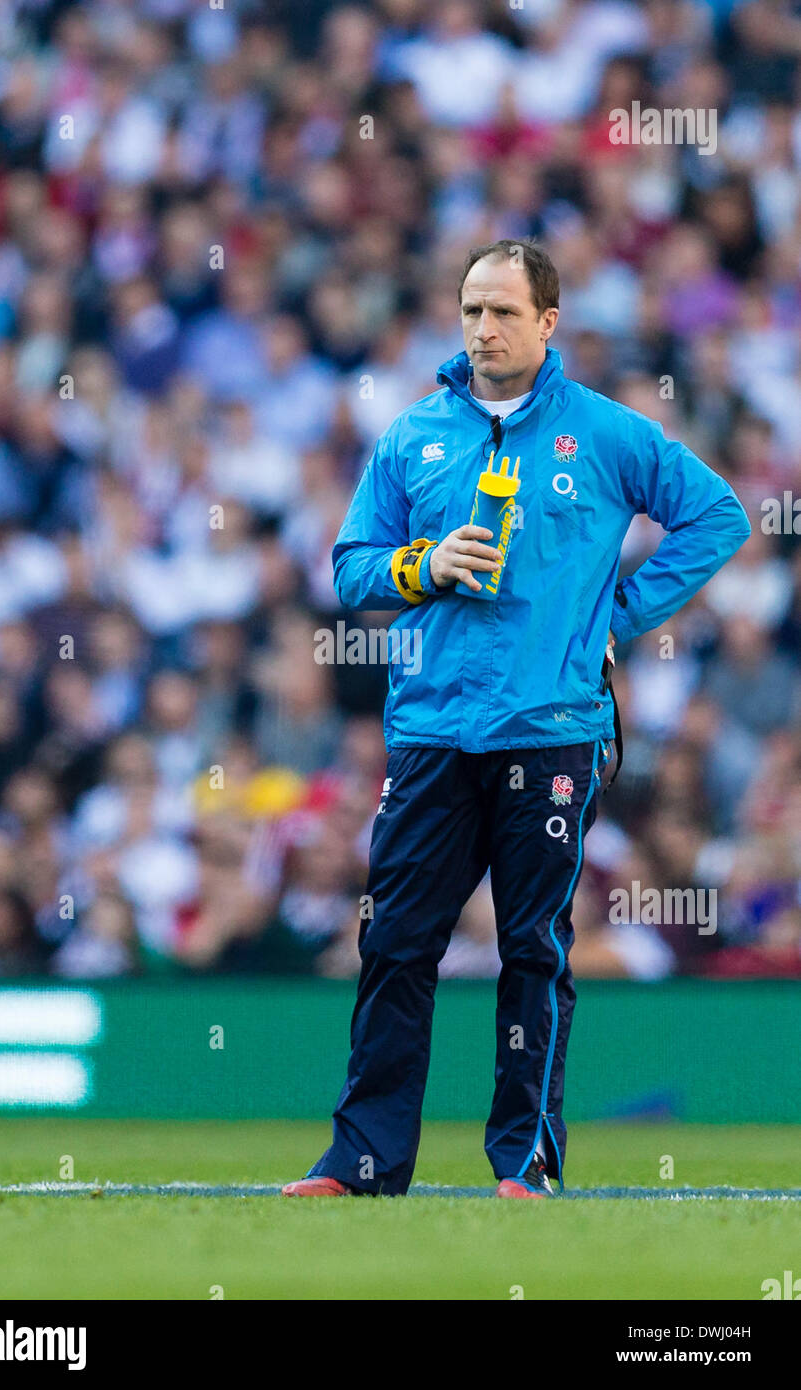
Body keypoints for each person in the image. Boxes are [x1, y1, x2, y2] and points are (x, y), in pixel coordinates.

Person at [282, 238, 750, 1199]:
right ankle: (364, 1161)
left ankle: (526, 1163)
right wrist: (423, 564)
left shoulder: (609, 433)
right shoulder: (414, 435)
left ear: (548, 321)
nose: (483, 328)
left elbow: (718, 517)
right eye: (470, 310)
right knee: (396, 945)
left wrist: (615, 615)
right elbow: (349, 566)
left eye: (502, 311)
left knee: (533, 946)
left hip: (551, 730)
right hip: (430, 731)